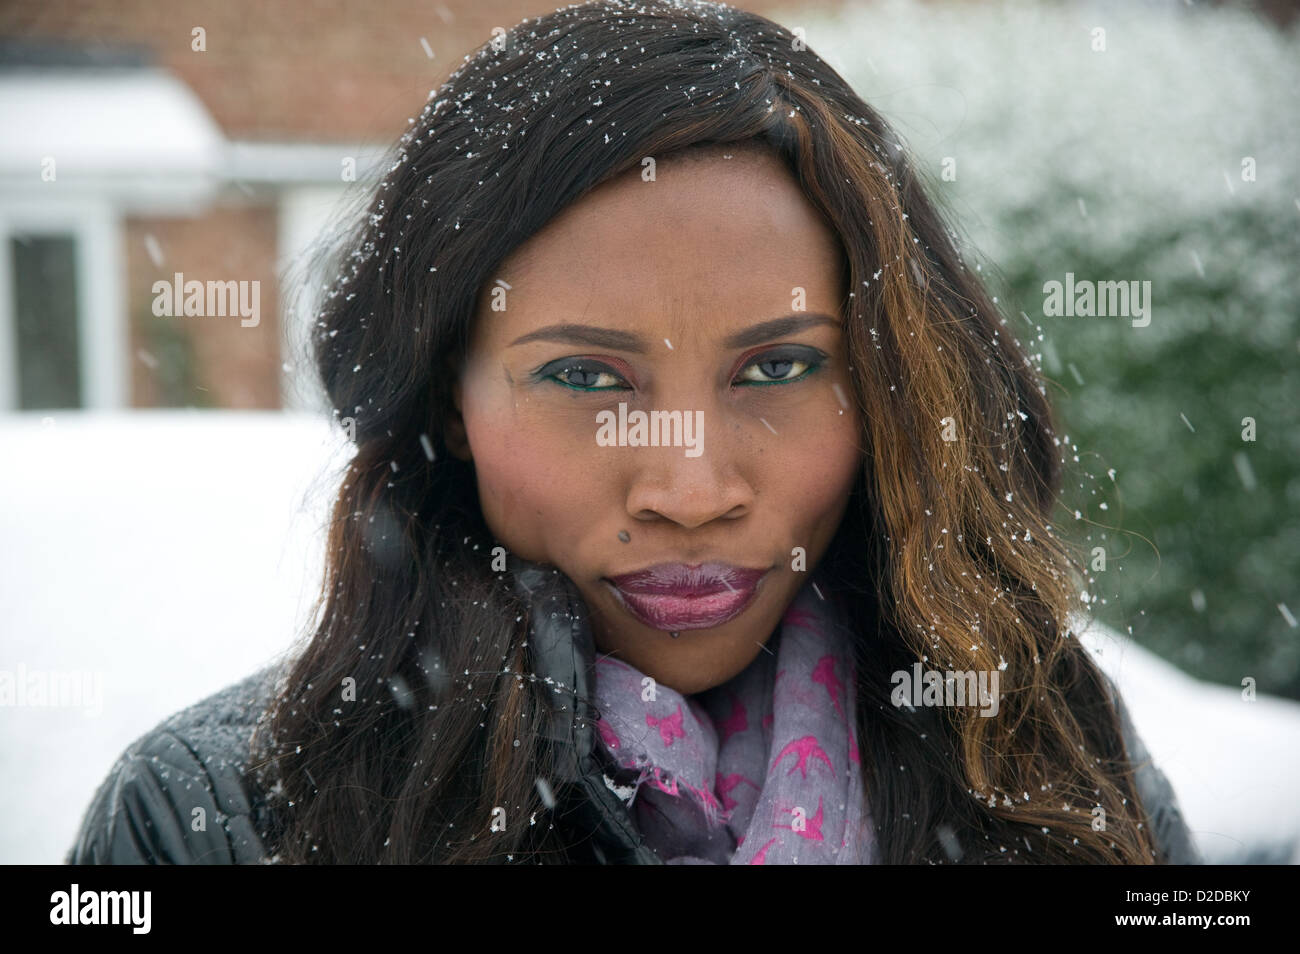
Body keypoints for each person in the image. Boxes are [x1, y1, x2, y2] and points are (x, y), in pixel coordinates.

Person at [66, 0, 1200, 865]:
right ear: (447, 406)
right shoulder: (213, 817)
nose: (692, 487)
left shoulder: (1037, 752)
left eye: (780, 366)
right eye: (583, 376)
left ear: (890, 391)